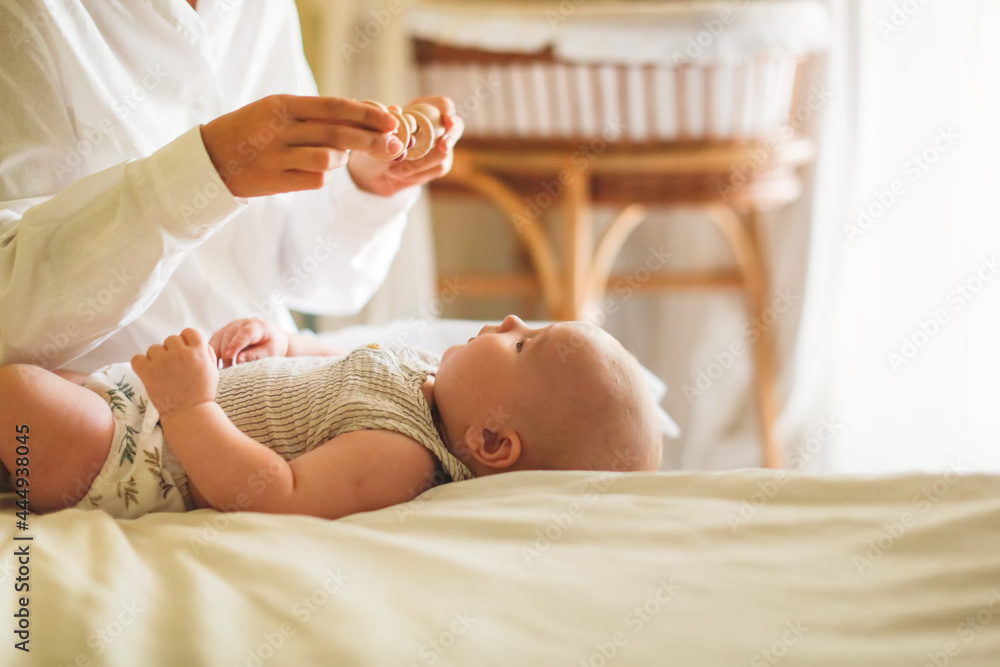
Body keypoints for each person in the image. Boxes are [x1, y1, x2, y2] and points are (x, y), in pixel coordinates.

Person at [0, 0, 462, 372]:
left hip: (271, 378)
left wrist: (365, 188)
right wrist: (206, 173)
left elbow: (311, 279)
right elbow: (10, 323)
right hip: (106, 421)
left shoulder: (258, 9)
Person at [0, 315, 663, 520]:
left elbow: (274, 494)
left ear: (491, 441)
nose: (512, 319)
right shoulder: (427, 376)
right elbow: (340, 364)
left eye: (523, 344)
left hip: (150, 462)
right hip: (144, 409)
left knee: (24, 395)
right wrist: (282, 344)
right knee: (47, 382)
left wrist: (191, 406)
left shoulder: (400, 453)